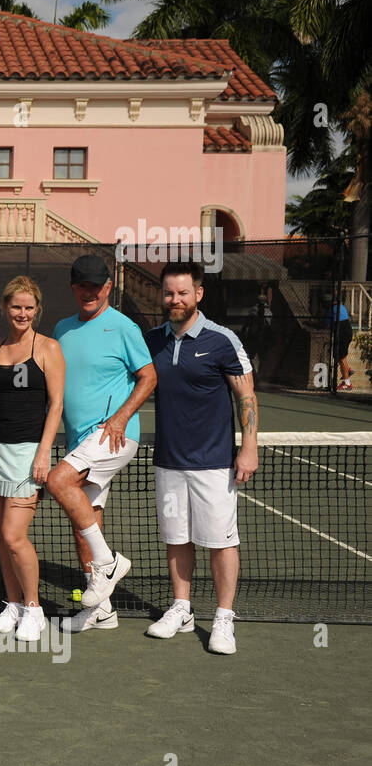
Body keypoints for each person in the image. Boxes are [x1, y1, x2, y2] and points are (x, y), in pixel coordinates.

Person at [144, 261, 258, 654]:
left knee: (220, 541)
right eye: (169, 293)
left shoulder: (223, 340)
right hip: (169, 462)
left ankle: (224, 617)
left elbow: (246, 396)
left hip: (213, 464)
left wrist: (248, 446)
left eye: (183, 293)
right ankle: (182, 607)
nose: (175, 300)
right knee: (176, 538)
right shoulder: (151, 341)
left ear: (199, 294)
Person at [46, 254, 157, 631]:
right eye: (82, 286)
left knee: (58, 481)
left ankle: (109, 563)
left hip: (113, 436)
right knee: (84, 520)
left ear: (108, 287)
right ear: (74, 287)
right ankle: (101, 610)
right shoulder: (62, 328)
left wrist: (121, 417)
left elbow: (148, 376)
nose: (89, 292)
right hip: (80, 440)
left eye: (96, 286)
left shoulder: (123, 327)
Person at [0, 276, 65, 642]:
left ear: (37, 310)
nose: (23, 313)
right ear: (4, 307)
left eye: (29, 308)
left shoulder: (49, 348)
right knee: (2, 535)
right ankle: (12, 604)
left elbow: (56, 404)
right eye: (16, 306)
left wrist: (44, 451)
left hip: (28, 454)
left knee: (16, 536)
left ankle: (34, 608)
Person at [329, 296, 354, 390]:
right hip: (348, 332)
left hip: (342, 333)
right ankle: (348, 370)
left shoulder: (331, 310)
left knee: (340, 357)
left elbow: (325, 324)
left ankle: (347, 384)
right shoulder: (342, 307)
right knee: (342, 356)